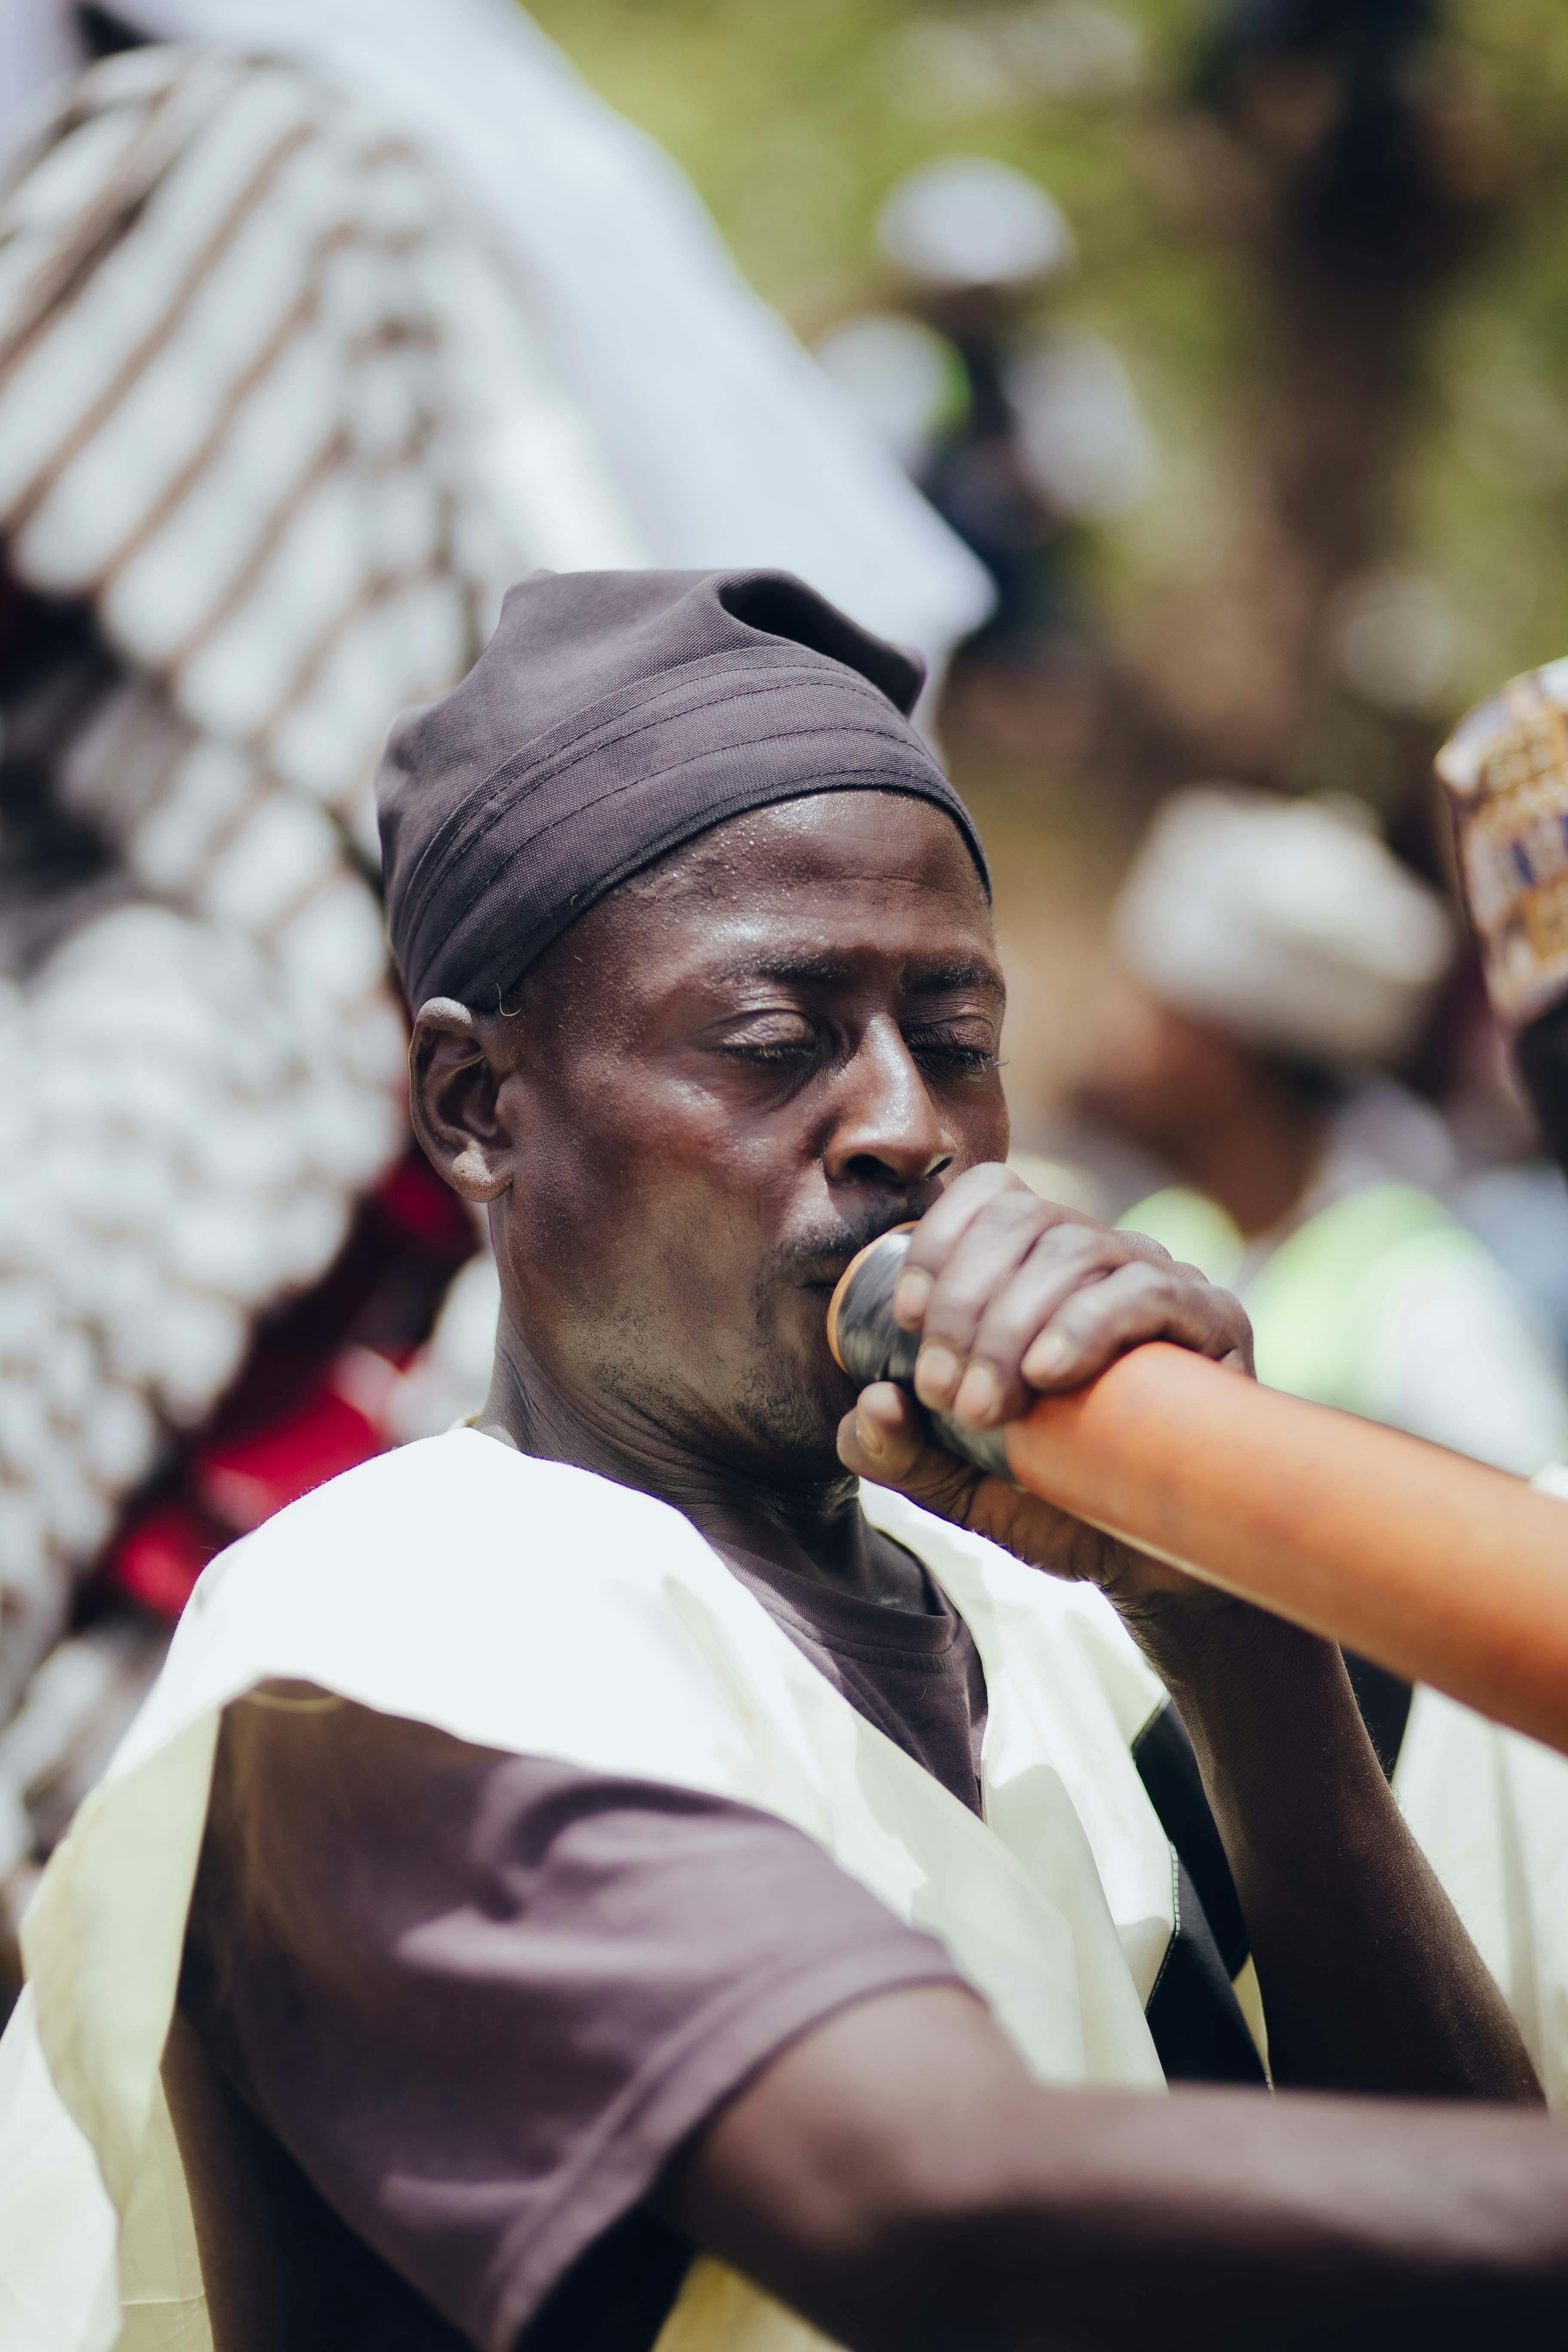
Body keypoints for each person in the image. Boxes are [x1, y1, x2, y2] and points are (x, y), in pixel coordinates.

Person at [3, 567, 1567, 2351]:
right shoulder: (374, 1639)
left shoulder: (1051, 1631)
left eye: (958, 1042)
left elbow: (1446, 2290)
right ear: (476, 1109)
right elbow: (925, 2210)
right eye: (777, 1044)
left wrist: (1238, 1643)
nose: (909, 1126)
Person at [1077, 784, 1568, 1479]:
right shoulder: (1167, 1230)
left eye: (1142, 1008)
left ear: (1215, 1055)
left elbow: (1536, 1544)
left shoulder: (1422, 1293)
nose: (1106, 1035)